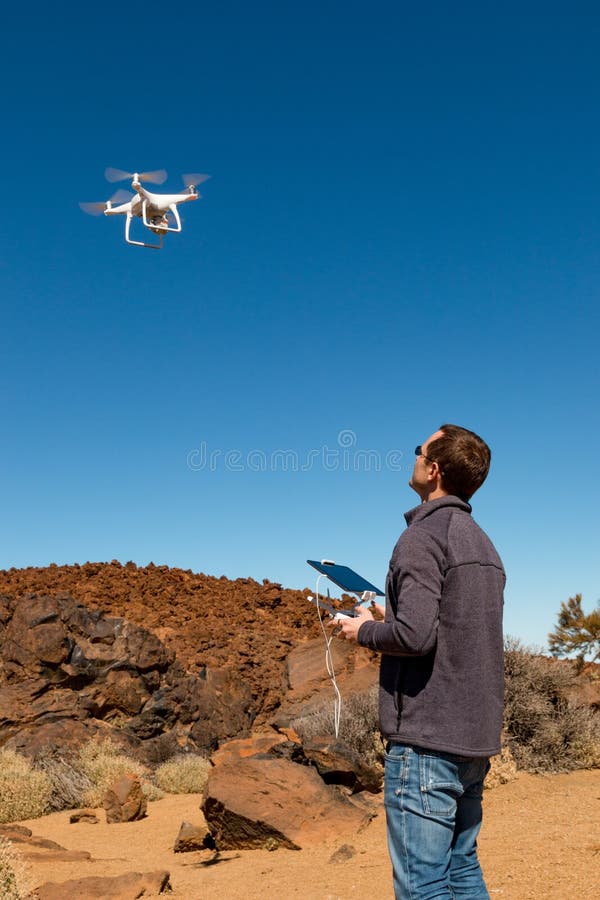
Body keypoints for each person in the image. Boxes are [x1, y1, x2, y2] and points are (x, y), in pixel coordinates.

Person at [338, 424, 505, 899]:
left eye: (417, 450)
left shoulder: (421, 536)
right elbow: (450, 626)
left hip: (427, 742)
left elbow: (414, 637)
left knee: (422, 886)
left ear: (432, 470)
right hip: (472, 739)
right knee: (462, 869)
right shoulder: (483, 544)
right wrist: (390, 615)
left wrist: (362, 630)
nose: (411, 456)